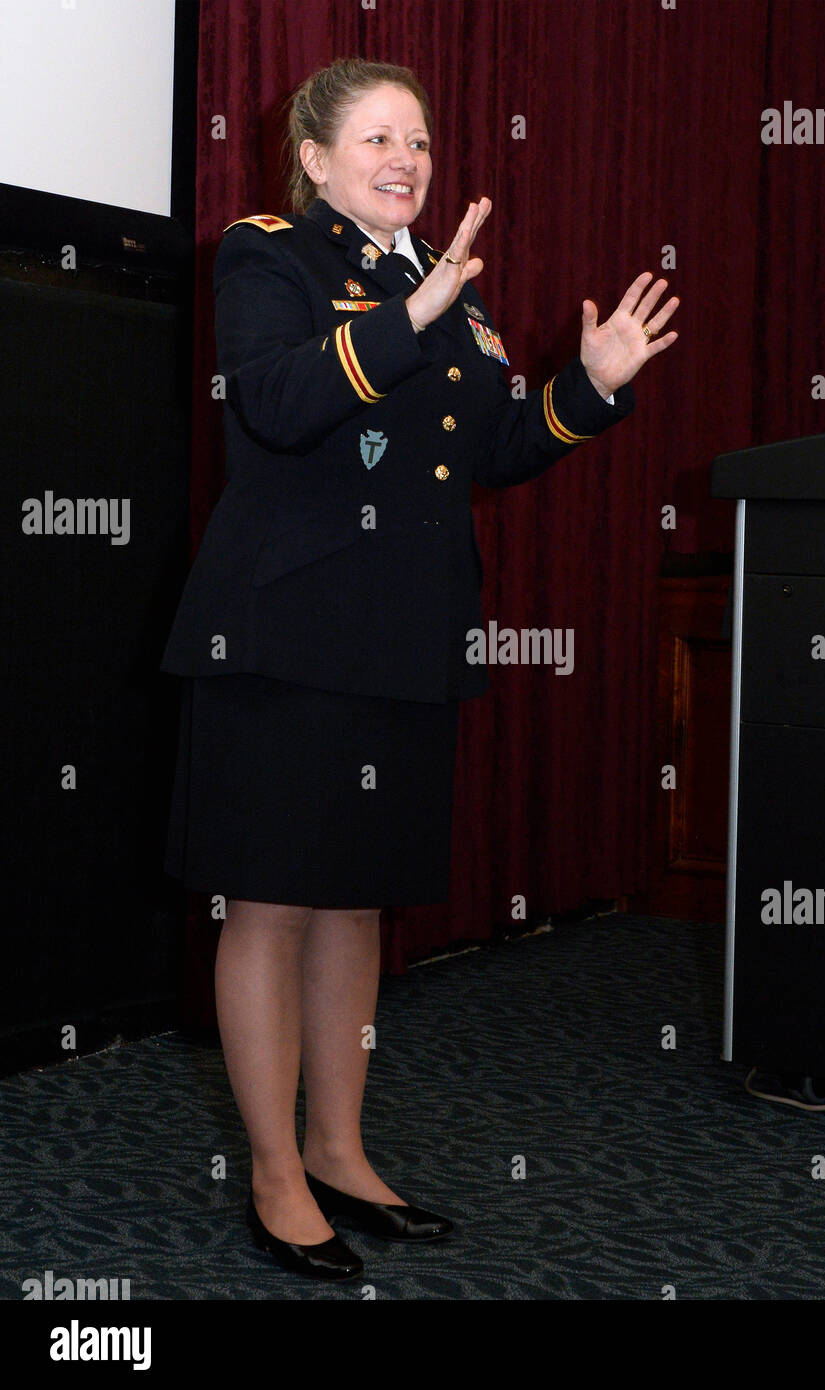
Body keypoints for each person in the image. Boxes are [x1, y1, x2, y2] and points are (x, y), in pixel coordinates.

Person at [160, 56, 678, 1282]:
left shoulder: (439, 280)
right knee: (272, 897)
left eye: (425, 142)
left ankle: (339, 1151)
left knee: (354, 902)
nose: (410, 160)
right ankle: (275, 1175)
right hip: (283, 630)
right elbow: (278, 403)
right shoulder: (265, 253)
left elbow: (489, 445)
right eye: (383, 138)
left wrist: (586, 391)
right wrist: (414, 313)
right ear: (317, 156)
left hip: (405, 634)